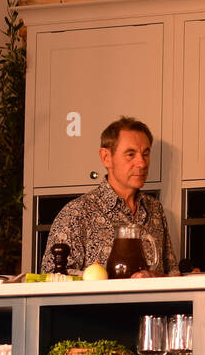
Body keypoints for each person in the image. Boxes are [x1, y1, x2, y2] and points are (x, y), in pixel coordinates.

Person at [40, 117, 176, 275]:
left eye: (145, 154)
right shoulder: (76, 213)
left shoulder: (155, 208)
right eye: (130, 154)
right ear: (106, 157)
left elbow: (171, 270)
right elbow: (52, 277)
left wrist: (155, 275)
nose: (142, 163)